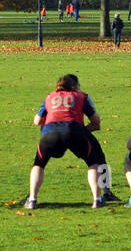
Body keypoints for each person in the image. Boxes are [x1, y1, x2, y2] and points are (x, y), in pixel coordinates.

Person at [26, 74, 107, 209]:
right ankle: (97, 199)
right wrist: (83, 131)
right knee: (93, 163)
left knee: (38, 164)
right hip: (74, 131)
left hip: (50, 133)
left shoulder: (49, 97)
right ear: (74, 86)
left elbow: (36, 121)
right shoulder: (81, 97)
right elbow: (96, 121)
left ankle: (32, 200)